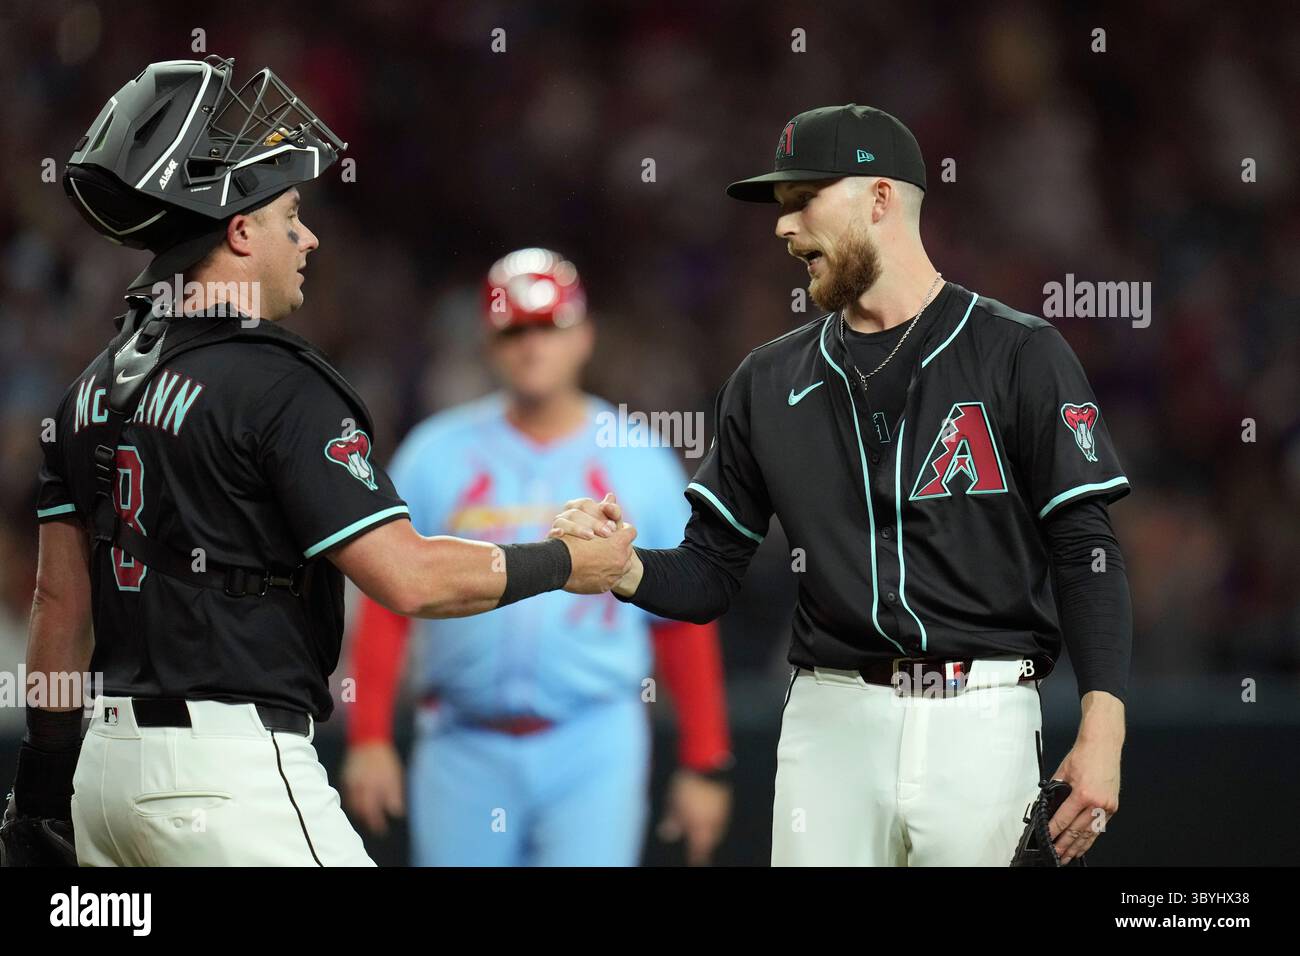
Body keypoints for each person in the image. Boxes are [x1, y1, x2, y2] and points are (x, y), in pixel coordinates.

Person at [4, 56, 632, 868]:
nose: (309, 236)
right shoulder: (278, 381)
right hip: (228, 775)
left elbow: (59, 606)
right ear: (238, 230)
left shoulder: (87, 391)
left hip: (104, 777)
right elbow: (408, 578)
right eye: (290, 214)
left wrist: (44, 791)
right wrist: (567, 563)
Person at [549, 104, 1132, 866]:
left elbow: (1086, 548)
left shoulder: (1019, 352)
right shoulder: (766, 379)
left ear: (879, 198)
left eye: (803, 200)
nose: (782, 227)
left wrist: (1103, 730)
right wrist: (624, 567)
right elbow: (709, 571)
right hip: (830, 723)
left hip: (980, 715)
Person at [342, 248, 734, 866]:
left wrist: (705, 761)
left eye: (549, 326)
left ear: (585, 335)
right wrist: (367, 737)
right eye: (515, 330)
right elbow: (387, 601)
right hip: (460, 741)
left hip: (593, 738)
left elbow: (679, 617)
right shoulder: (434, 453)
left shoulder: (638, 456)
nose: (533, 346)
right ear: (490, 343)